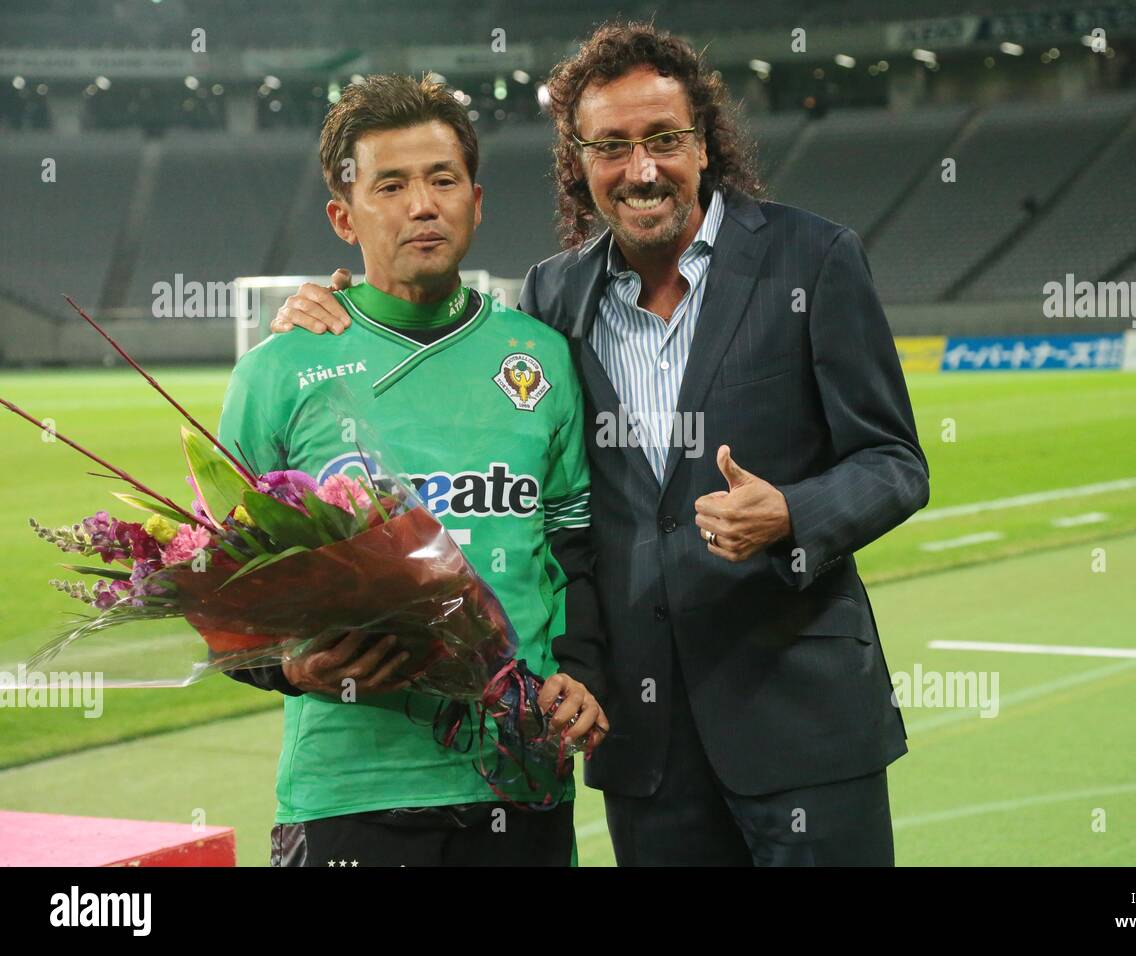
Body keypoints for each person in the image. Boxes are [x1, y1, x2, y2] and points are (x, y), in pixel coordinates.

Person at [272, 22, 928, 866]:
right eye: (611, 146)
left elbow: (895, 463)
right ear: (579, 161)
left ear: (706, 144)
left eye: (664, 139)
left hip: (795, 714)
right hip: (641, 732)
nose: (641, 167)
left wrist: (793, 513)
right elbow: (561, 508)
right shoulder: (556, 293)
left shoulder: (813, 259)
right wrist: (326, 303)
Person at [220, 73, 608, 867]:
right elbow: (224, 586)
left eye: (442, 180)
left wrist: (582, 667)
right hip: (350, 792)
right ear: (344, 215)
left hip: (519, 777)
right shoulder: (279, 371)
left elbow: (577, 547)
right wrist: (289, 667)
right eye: (390, 184)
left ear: (476, 199)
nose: (422, 205)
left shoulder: (541, 358)